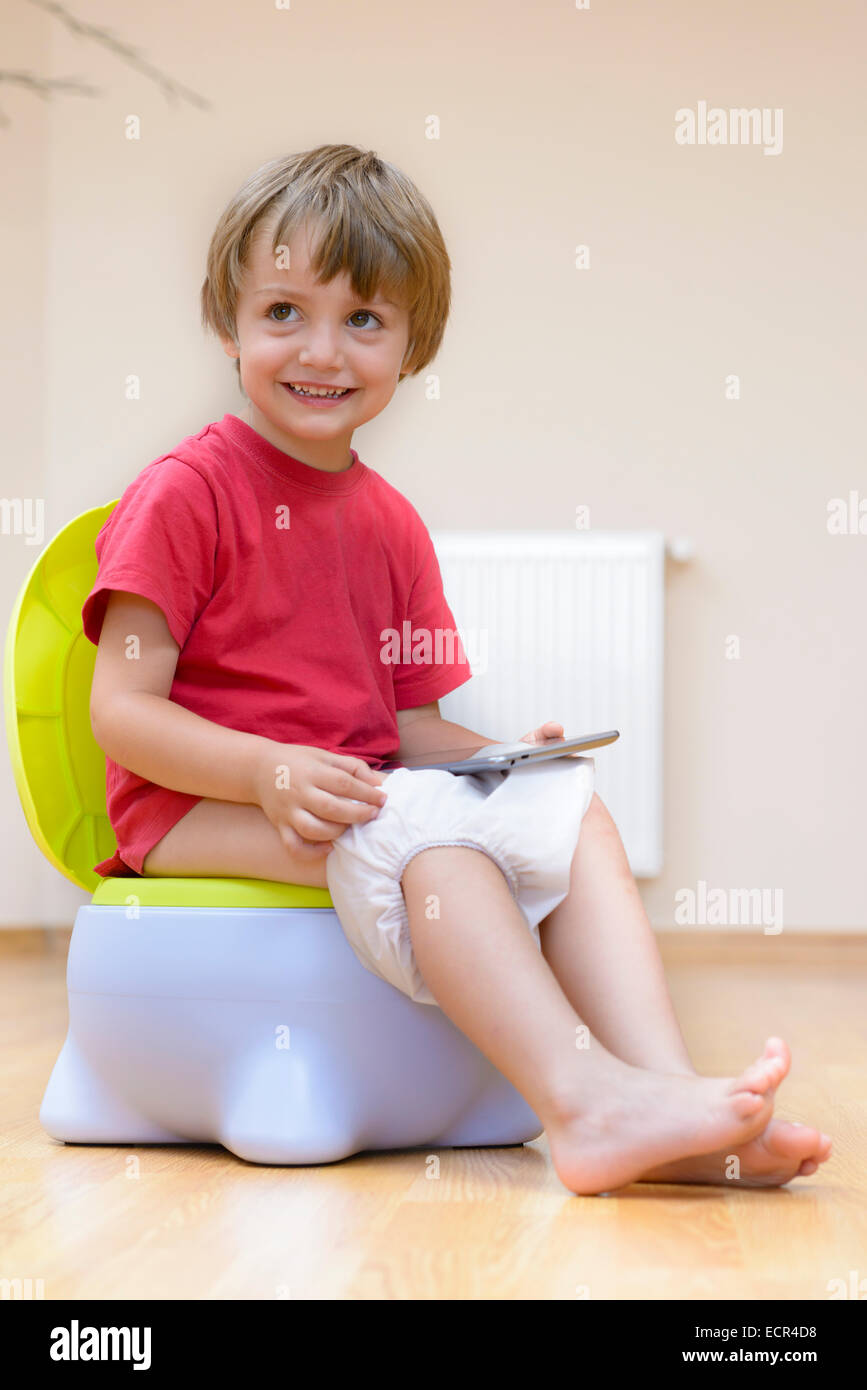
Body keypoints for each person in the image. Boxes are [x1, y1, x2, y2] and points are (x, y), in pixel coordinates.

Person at [83, 144, 831, 1195]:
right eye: (285, 312)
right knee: (433, 839)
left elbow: (402, 725)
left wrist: (499, 760)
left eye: (364, 320)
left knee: (571, 809)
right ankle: (584, 1103)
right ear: (228, 321)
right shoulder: (183, 494)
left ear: (412, 344)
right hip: (193, 808)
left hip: (356, 791)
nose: (323, 350)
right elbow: (120, 710)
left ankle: (669, 1101)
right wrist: (266, 770)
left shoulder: (390, 524)